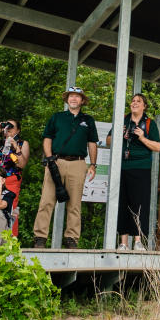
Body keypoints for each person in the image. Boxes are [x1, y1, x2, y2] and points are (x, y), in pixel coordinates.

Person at [33, 86, 99, 249]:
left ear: (82, 100)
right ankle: (40, 238)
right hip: (56, 162)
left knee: (75, 204)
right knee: (46, 201)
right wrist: (49, 159)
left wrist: (93, 164)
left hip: (78, 163)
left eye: (77, 96)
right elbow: (47, 139)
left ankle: (71, 239)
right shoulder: (57, 117)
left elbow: (92, 143)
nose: (74, 99)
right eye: (71, 96)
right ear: (67, 99)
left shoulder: (88, 120)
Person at [110, 93, 160, 250]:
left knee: (139, 204)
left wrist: (142, 137)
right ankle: (123, 243)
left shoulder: (149, 123)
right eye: (132, 101)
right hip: (123, 167)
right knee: (123, 203)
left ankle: (138, 241)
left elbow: (158, 147)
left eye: (138, 101)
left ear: (144, 106)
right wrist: (119, 134)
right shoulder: (122, 120)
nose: (134, 103)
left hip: (141, 168)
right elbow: (108, 141)